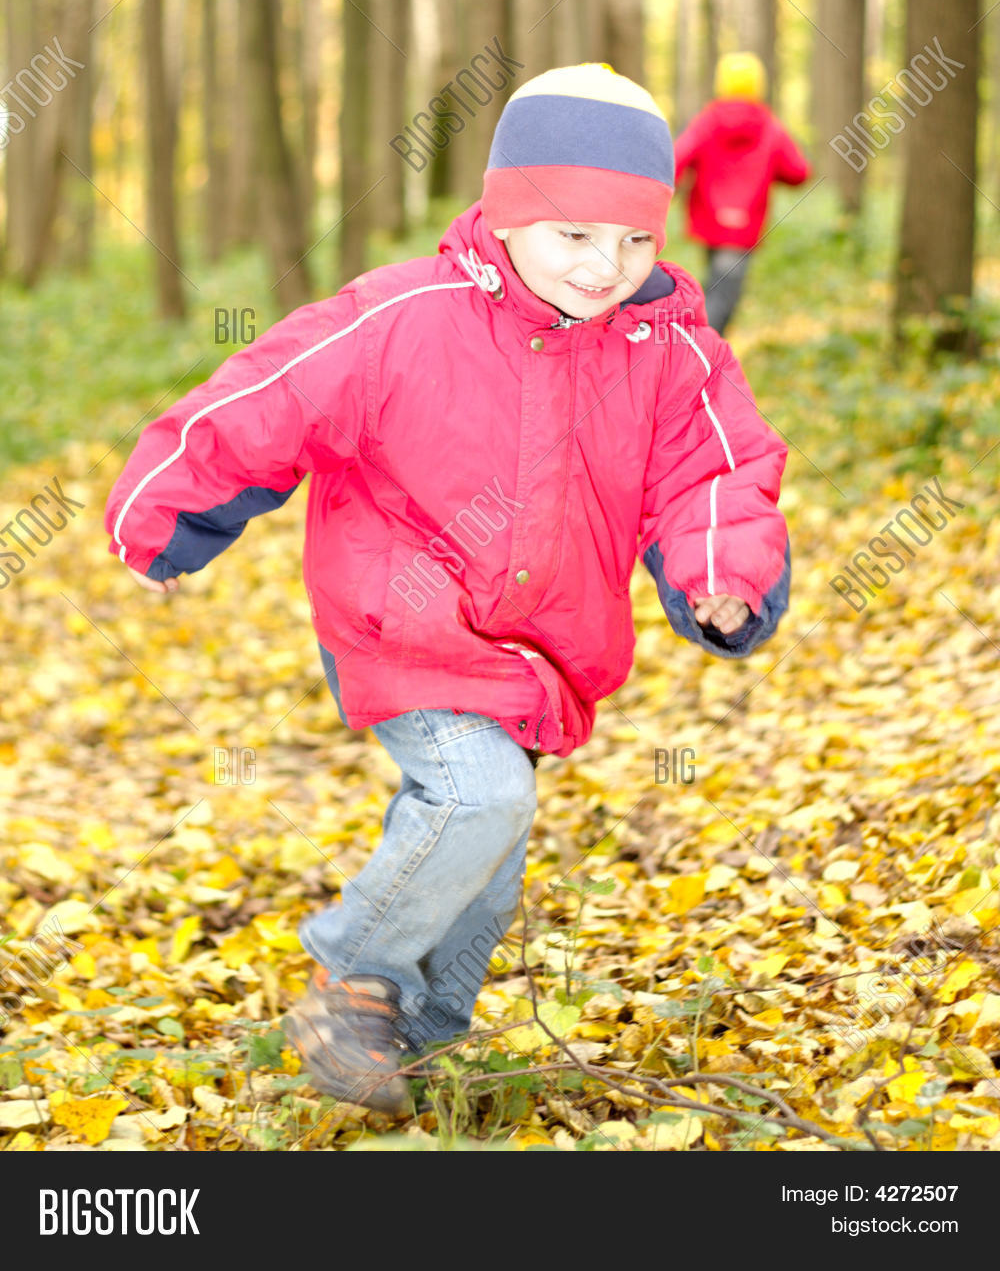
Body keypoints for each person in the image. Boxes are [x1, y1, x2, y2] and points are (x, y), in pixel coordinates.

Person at [104, 62, 791, 1116]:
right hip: (405, 621)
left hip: (541, 650)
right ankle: (353, 979)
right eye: (574, 233)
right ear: (507, 213)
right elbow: (265, 397)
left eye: (634, 241)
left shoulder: (670, 351)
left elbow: (716, 473)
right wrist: (165, 511)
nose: (606, 266)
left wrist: (718, 572)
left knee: (489, 862)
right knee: (480, 798)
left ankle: (421, 1054)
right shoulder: (404, 316)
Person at [673, 52, 812, 335]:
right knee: (723, 297)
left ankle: (695, 347)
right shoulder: (769, 125)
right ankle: (699, 349)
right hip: (744, 230)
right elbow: (798, 172)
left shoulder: (706, 121)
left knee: (716, 291)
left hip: (709, 224)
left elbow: (675, 161)